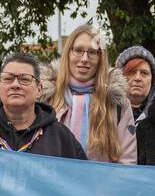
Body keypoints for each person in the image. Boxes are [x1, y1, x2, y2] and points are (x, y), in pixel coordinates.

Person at [0, 51, 87, 159]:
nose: (15, 85)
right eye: (8, 79)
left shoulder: (61, 138)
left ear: (39, 89)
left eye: (25, 79)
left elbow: (82, 179)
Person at [48, 23, 137, 163]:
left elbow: (127, 163)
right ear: (68, 53)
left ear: (101, 57)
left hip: (102, 185)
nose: (84, 59)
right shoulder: (46, 97)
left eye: (92, 52)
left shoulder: (118, 103)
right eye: (78, 50)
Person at [118, 45, 155, 121]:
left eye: (144, 73)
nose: (137, 78)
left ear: (152, 79)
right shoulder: (105, 108)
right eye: (131, 72)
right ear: (120, 77)